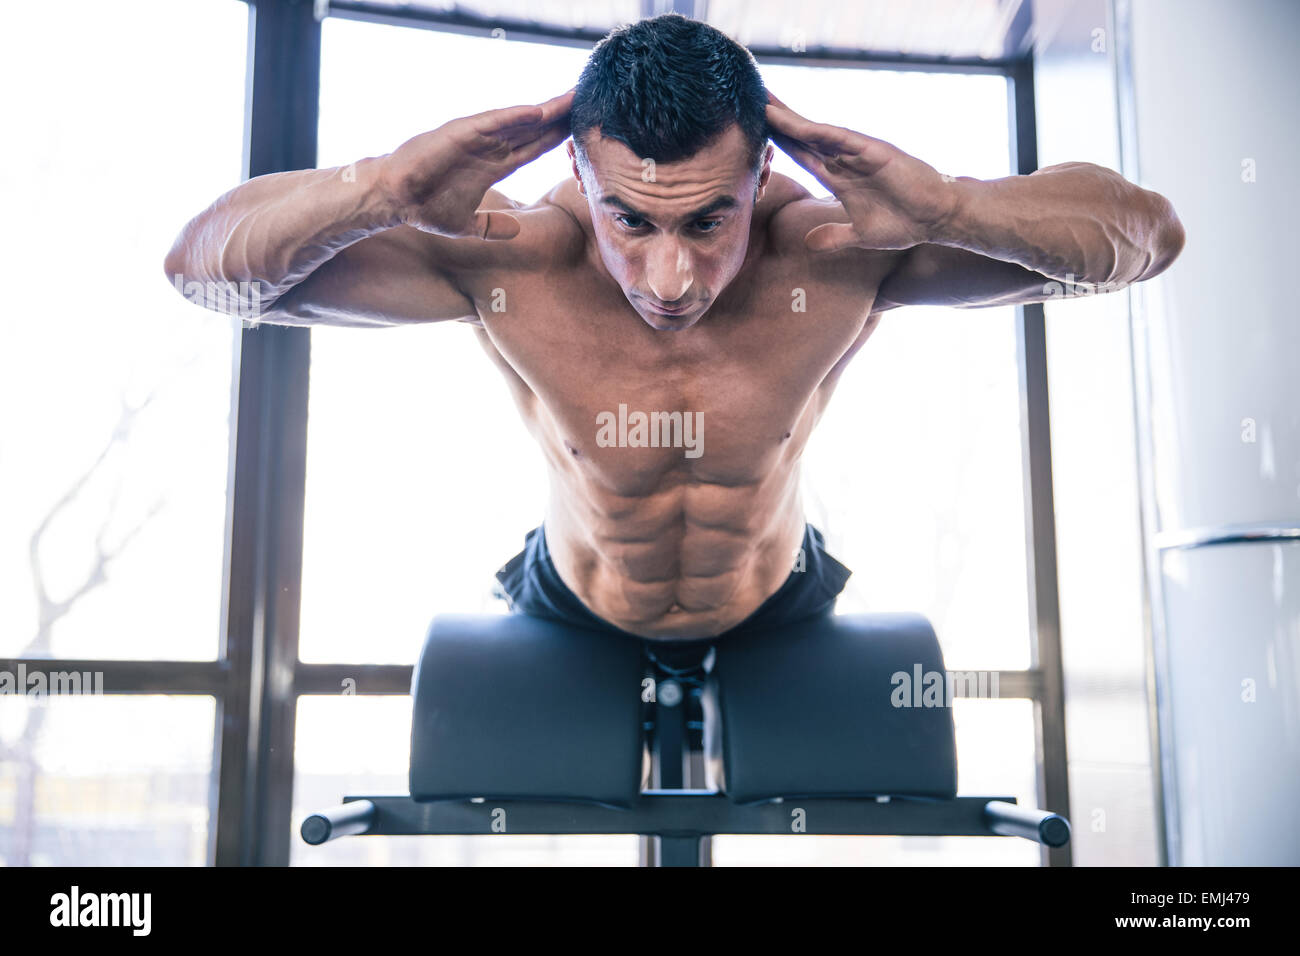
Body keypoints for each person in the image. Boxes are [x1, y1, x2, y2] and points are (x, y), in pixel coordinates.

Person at [164, 13, 1184, 644]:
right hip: (572, 595)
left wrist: (954, 208)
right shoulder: (501, 253)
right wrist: (379, 187)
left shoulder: (841, 249)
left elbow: (1143, 240)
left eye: (708, 220)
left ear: (759, 180)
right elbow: (212, 277)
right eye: (628, 220)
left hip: (779, 594)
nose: (669, 275)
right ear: (578, 179)